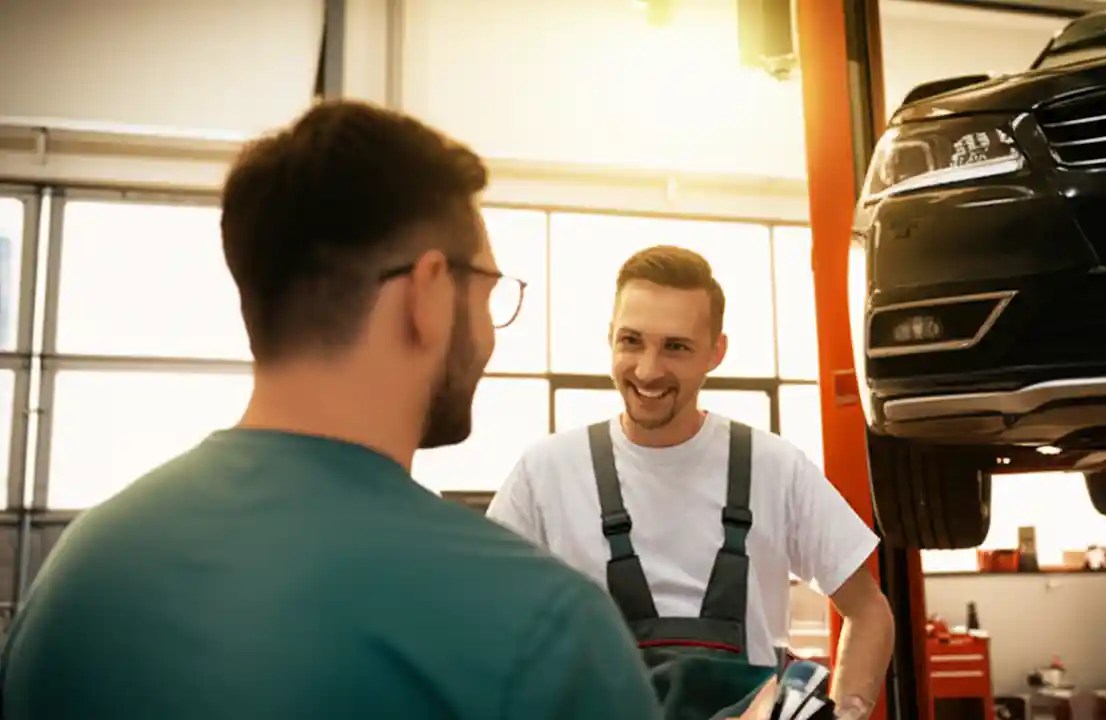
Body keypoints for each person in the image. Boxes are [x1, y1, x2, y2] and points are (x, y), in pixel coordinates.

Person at [0, 101, 661, 719]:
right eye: (488, 290)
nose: (489, 330)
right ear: (427, 294)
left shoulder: (75, 580)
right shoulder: (542, 629)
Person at [487, 245, 896, 719]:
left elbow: (868, 611)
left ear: (715, 352)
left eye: (675, 347)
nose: (647, 370)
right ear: (610, 339)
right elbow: (485, 622)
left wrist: (847, 712)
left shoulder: (775, 468)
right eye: (631, 341)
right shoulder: (545, 473)